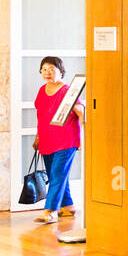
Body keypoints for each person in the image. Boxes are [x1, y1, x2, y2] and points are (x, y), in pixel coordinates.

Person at [32, 56, 84, 224]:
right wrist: (37, 137)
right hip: (47, 139)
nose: (47, 73)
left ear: (61, 72)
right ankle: (67, 206)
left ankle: (50, 210)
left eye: (52, 69)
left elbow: (82, 114)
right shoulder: (42, 90)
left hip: (65, 140)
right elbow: (41, 115)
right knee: (57, 175)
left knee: (57, 174)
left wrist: (83, 138)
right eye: (44, 69)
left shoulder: (68, 91)